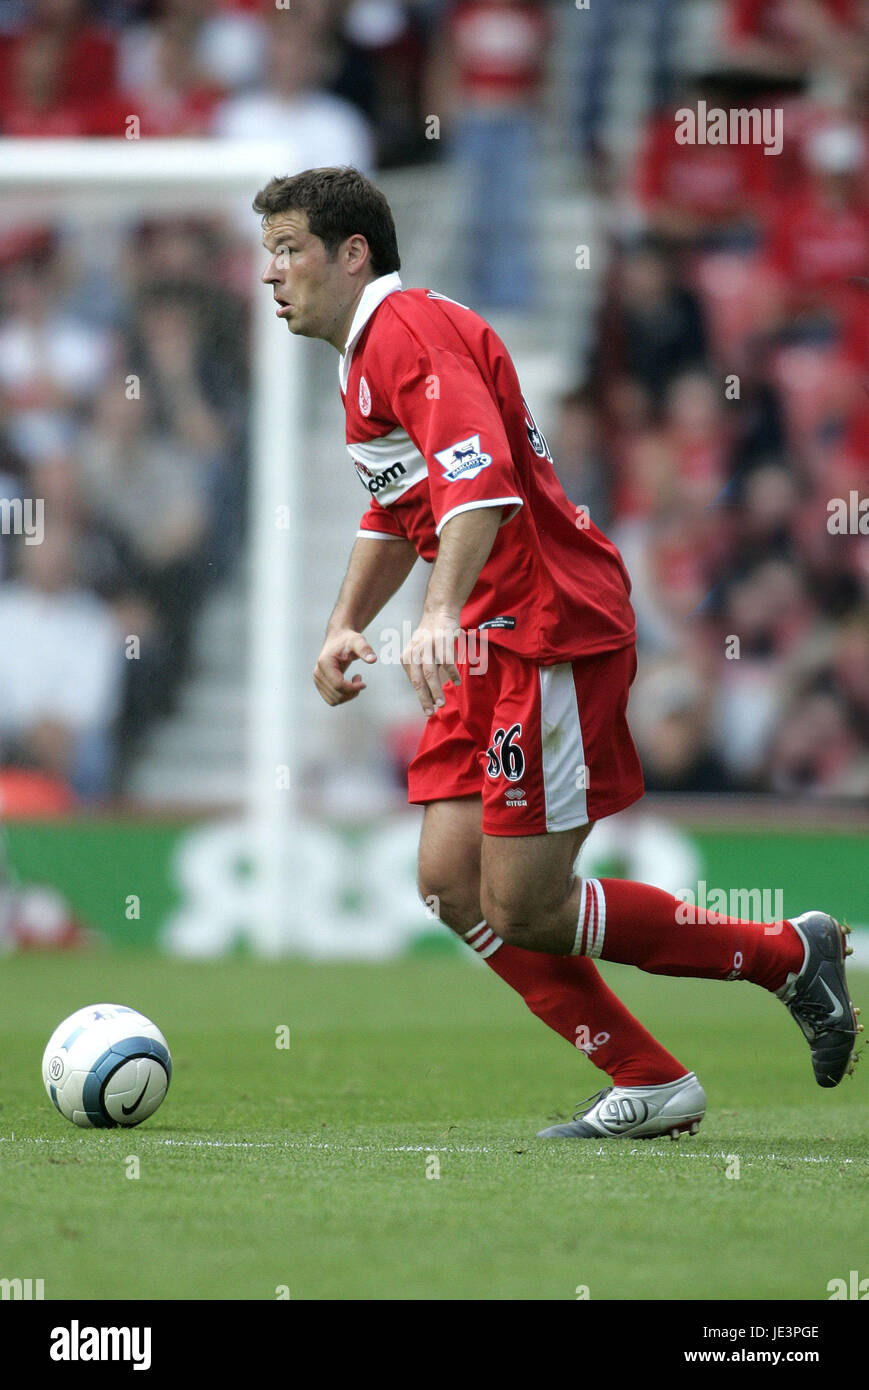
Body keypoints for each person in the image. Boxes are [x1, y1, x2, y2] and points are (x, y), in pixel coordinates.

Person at [255, 166, 859, 1140]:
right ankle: (647, 1078)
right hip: (488, 637)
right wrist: (343, 620)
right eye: (267, 254)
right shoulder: (365, 356)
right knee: (453, 883)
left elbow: (479, 477)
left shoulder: (406, 331)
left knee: (525, 903)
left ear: (352, 251)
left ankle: (785, 956)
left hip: (540, 626)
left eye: (288, 250)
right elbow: (395, 500)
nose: (272, 275)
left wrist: (440, 609)